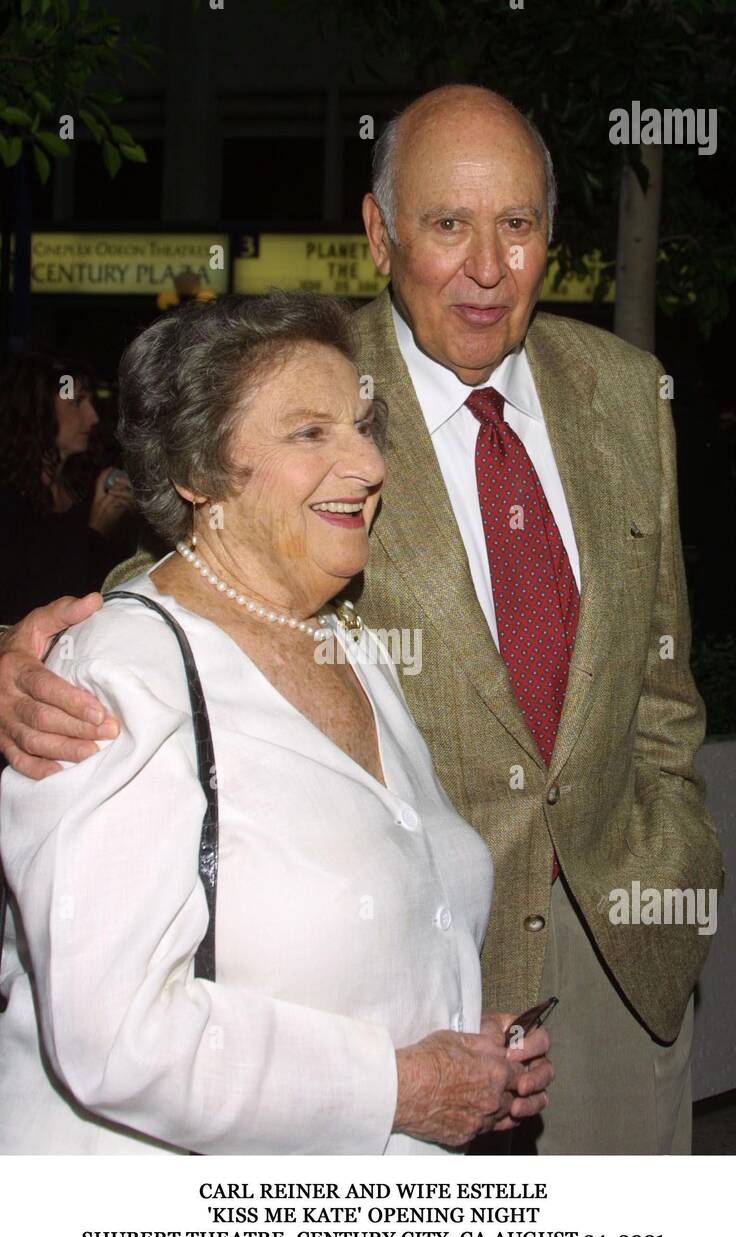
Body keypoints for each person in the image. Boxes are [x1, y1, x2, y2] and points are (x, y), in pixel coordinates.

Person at [0, 84, 720, 1154]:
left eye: (517, 225)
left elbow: (661, 691)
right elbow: (202, 563)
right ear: (379, 235)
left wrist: (675, 864)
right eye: (447, 225)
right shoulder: (306, 378)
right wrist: (42, 662)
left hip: (621, 972)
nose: (488, 266)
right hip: (406, 1000)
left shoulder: (626, 392)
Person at [0, 293, 553, 1156]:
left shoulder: (349, 648)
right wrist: (402, 1087)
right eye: (310, 433)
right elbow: (112, 1037)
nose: (367, 462)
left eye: (364, 427)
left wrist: (465, 1048)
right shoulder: (117, 677)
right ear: (199, 470)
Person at [0, 351, 136, 625]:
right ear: (38, 410)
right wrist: (95, 533)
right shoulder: (9, 504)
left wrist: (126, 522)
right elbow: (38, 602)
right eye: (76, 403)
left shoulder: (81, 486)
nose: (93, 417)